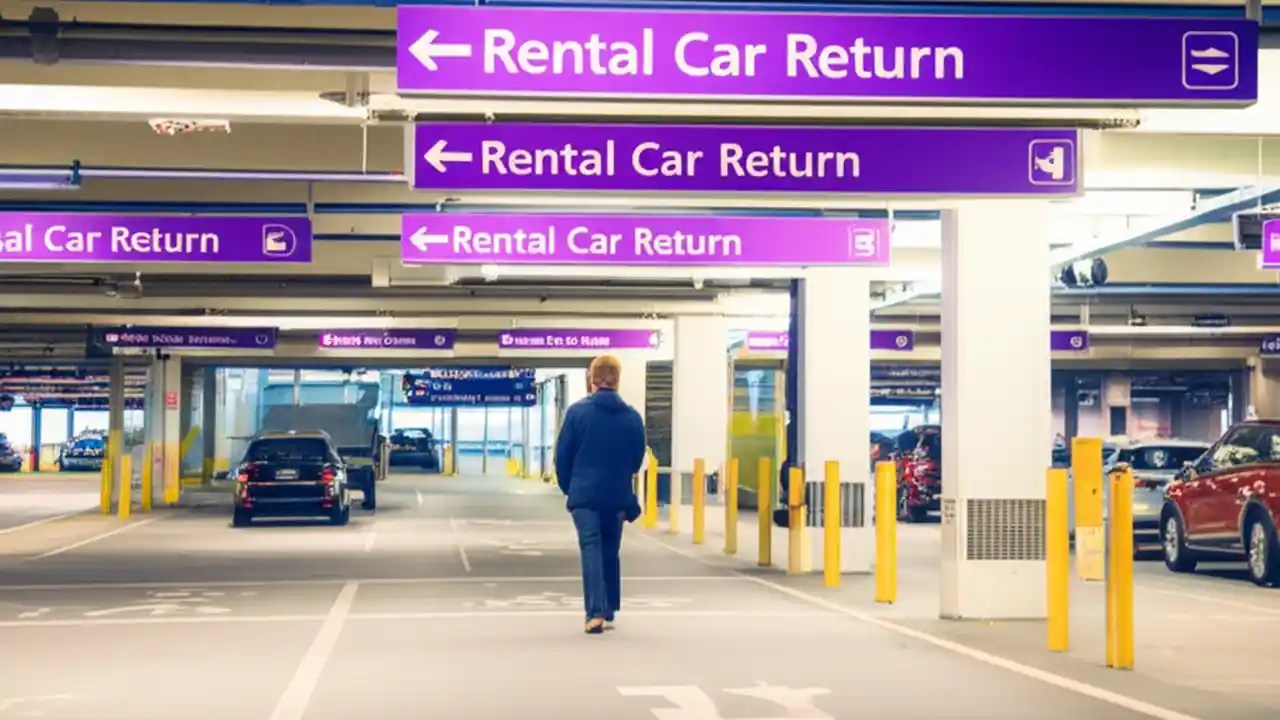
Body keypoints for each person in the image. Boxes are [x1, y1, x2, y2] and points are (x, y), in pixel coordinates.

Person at [555, 354, 646, 635]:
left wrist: (571, 488)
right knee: (610, 549)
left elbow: (563, 458)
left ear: (591, 380)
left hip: (584, 495)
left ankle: (594, 613)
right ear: (617, 380)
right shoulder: (631, 417)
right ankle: (608, 606)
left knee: (591, 548)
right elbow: (636, 458)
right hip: (616, 494)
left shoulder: (576, 413)